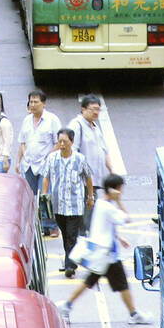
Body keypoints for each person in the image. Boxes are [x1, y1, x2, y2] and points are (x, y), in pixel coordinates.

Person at [58, 174, 151, 326]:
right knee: (122, 285)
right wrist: (119, 201)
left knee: (89, 282)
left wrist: (119, 238)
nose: (122, 191)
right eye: (121, 188)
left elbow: (105, 226)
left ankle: (67, 306)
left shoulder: (101, 204)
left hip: (101, 254)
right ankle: (134, 314)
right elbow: (126, 218)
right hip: (108, 256)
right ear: (116, 189)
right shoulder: (109, 207)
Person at [42, 129, 93, 279]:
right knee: (65, 235)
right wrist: (45, 195)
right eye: (60, 142)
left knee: (71, 235)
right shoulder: (52, 158)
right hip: (58, 205)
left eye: (65, 142)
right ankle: (70, 260)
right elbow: (46, 177)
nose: (62, 145)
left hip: (75, 205)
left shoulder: (80, 159)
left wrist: (90, 196)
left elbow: (88, 178)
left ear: (72, 142)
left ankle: (70, 266)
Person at [16, 90, 61, 236]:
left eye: (36, 102)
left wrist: (48, 157)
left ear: (44, 103)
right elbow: (22, 142)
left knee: (45, 195)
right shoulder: (26, 120)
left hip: (45, 165)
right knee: (30, 196)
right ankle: (38, 225)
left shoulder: (52, 120)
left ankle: (52, 225)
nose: (33, 104)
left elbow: (59, 142)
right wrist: (19, 161)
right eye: (31, 102)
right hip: (29, 164)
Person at [66, 95, 111, 221]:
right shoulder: (76, 126)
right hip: (82, 181)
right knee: (86, 216)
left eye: (98, 109)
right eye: (92, 109)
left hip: (94, 180)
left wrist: (112, 171)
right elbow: (72, 152)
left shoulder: (95, 127)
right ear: (83, 109)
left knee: (90, 214)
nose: (96, 112)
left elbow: (104, 150)